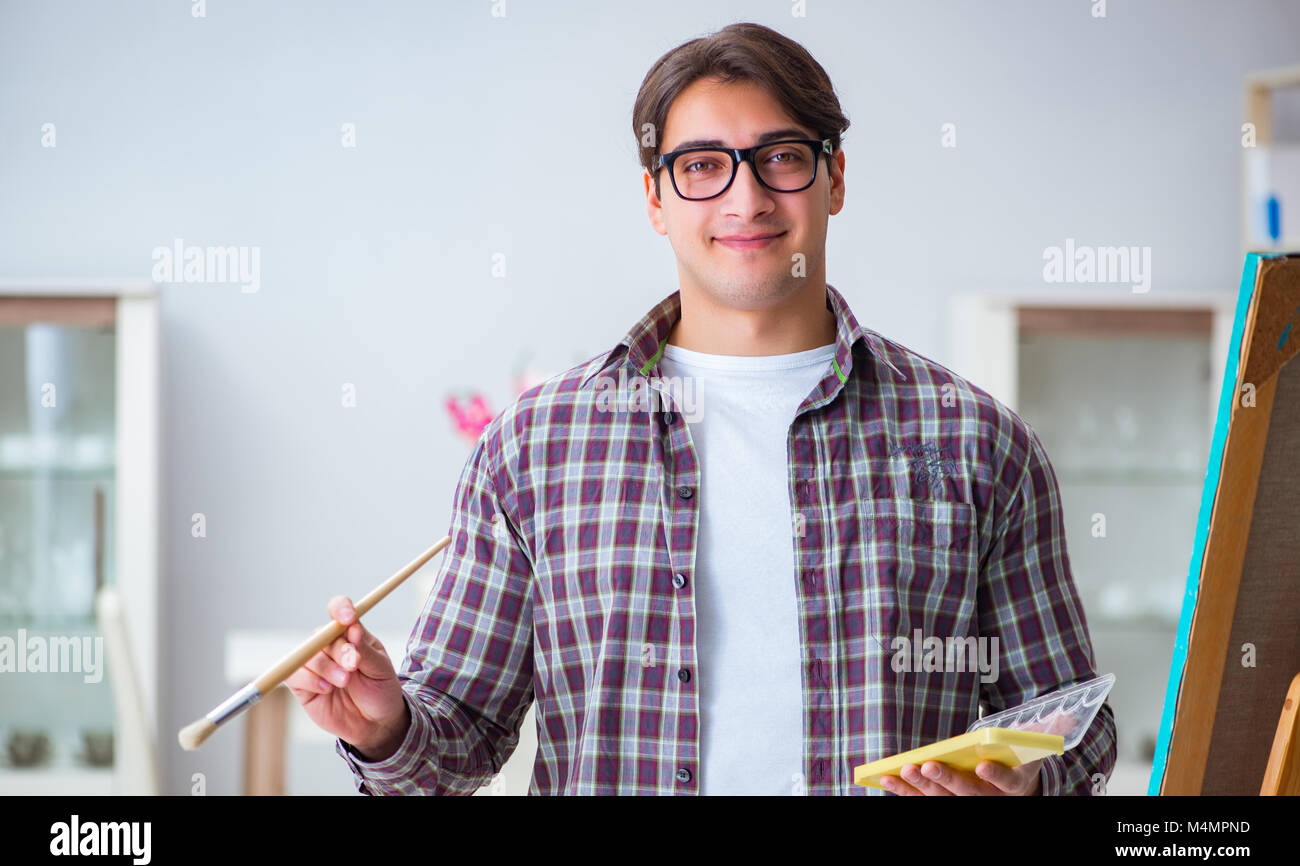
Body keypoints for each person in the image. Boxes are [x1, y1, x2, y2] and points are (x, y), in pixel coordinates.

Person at [287, 21, 1117, 796]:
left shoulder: (977, 439)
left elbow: (1074, 720)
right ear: (656, 197)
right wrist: (386, 725)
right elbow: (457, 736)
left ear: (833, 178)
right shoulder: (536, 447)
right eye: (702, 165)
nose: (745, 199)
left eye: (781, 158)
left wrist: (1026, 781)